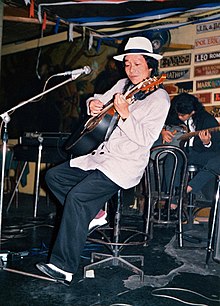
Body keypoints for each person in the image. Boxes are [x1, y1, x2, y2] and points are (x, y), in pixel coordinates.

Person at [36, 36, 170, 285]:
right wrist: (92, 103)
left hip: (124, 164)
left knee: (77, 198)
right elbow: (96, 102)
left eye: (136, 64)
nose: (130, 70)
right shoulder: (121, 84)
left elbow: (146, 140)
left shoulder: (159, 98)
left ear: (150, 66)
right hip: (100, 157)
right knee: (54, 177)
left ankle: (63, 267)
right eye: (127, 64)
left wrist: (126, 115)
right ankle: (95, 213)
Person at [161, 92, 220, 206]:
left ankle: (186, 190)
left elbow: (216, 146)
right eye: (178, 114)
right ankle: (172, 201)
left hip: (201, 153)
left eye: (183, 115)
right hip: (183, 152)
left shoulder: (207, 120)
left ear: (192, 112)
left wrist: (207, 143)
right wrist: (163, 131)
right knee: (171, 157)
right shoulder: (174, 115)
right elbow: (159, 122)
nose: (179, 117)